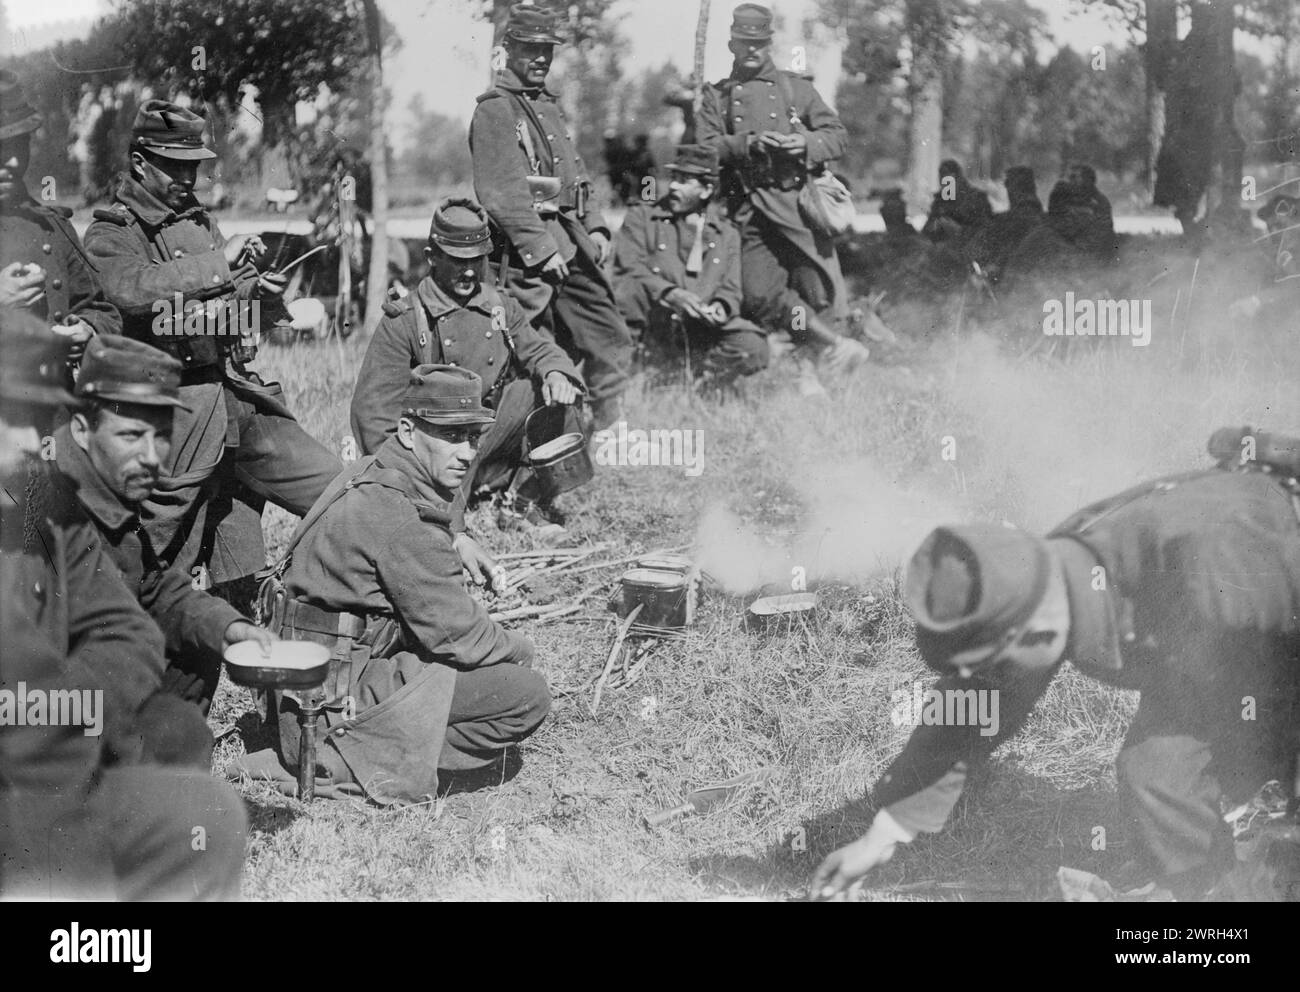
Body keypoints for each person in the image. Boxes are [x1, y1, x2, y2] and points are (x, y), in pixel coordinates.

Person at [811, 428, 1300, 901]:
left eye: (1000, 665)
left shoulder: (1216, 562)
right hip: (1217, 657)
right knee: (1157, 772)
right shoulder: (1041, 579)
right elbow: (977, 705)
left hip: (1275, 623)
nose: (1001, 681)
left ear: (1035, 632)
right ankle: (1209, 898)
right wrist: (881, 836)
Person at [0, 308, 246, 900]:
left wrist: (64, 711)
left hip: (45, 755)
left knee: (203, 811)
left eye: (41, 418)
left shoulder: (44, 505)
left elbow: (129, 629)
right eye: (15, 418)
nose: (38, 441)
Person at [242, 365, 552, 806]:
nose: (466, 452)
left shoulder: (368, 472)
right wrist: (523, 651)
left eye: (472, 437)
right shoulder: (401, 513)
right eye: (450, 435)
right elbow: (461, 636)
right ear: (408, 430)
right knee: (524, 694)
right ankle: (362, 763)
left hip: (297, 699)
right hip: (327, 713)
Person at [84, 100, 342, 597]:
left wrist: (256, 293)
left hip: (234, 397)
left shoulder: (198, 222)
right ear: (140, 162)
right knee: (161, 539)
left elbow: (225, 303)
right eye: (173, 164)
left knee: (334, 487)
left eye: (193, 164)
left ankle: (242, 605)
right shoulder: (113, 231)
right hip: (174, 412)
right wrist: (220, 267)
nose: (187, 175)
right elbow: (129, 292)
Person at [54, 335, 276, 711]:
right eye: (130, 435)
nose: (151, 457)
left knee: (198, 648)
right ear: (80, 429)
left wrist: (226, 627)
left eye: (161, 436)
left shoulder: (107, 486)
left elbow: (151, 587)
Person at [350, 197, 584, 541]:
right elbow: (372, 415)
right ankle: (450, 514)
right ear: (432, 258)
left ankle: (520, 503)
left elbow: (538, 348)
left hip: (483, 432)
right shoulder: (405, 320)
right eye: (459, 261)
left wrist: (555, 373)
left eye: (478, 260)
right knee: (441, 538)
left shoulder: (498, 304)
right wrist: (402, 479)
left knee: (554, 393)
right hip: (433, 446)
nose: (471, 271)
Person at [469, 2, 633, 430]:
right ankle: (526, 442)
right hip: (525, 257)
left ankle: (607, 426)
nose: (540, 58)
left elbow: (577, 176)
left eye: (547, 50)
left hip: (571, 242)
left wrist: (596, 226)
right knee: (532, 346)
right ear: (508, 50)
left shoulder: (546, 107)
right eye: (529, 49)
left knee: (607, 332)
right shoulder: (495, 109)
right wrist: (540, 249)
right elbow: (500, 192)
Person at [696, 3, 866, 372]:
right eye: (744, 43)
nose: (752, 50)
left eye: (759, 43)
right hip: (748, 210)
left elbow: (837, 136)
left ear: (769, 44)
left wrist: (804, 145)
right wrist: (746, 144)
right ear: (732, 45)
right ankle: (833, 346)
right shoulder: (717, 96)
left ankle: (814, 371)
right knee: (759, 294)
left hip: (799, 208)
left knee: (815, 289)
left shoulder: (795, 88)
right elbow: (704, 148)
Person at [613, 144, 768, 385]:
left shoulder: (727, 234)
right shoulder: (643, 218)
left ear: (706, 190)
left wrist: (720, 307)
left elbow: (731, 287)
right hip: (655, 322)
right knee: (628, 294)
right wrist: (672, 294)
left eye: (685, 181)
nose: (673, 185)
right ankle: (629, 380)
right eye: (674, 177)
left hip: (700, 327)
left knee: (753, 346)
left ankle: (700, 382)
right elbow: (628, 270)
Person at [0, 70, 120, 370]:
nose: (13, 163)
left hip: (56, 412)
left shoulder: (51, 225)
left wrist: (87, 329)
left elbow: (100, 308)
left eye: (19, 146)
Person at [1047, 163, 1116, 257]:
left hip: (1089, 246)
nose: (1071, 180)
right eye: (1070, 177)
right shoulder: (1064, 195)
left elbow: (1104, 226)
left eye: (1075, 177)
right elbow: (1055, 215)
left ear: (1088, 179)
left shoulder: (1098, 200)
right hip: (1067, 241)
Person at [921, 160, 992, 244]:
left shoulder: (977, 199)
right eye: (942, 178)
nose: (944, 184)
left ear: (959, 178)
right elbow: (926, 234)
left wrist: (960, 231)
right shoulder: (940, 201)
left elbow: (987, 234)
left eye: (948, 178)